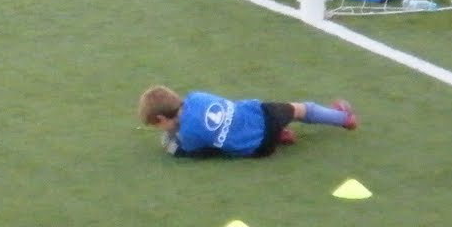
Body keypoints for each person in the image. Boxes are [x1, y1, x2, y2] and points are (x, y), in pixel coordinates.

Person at [138, 85, 357, 159]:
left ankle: (281, 136)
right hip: (262, 118)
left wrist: (170, 141)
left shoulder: (189, 135)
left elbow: (190, 146)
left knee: (209, 148)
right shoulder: (197, 96)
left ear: (161, 118)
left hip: (257, 150)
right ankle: (343, 118)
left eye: (158, 125)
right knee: (300, 109)